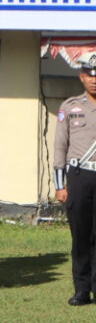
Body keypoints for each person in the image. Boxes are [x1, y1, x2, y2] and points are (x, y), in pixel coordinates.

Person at [54, 55, 96, 306]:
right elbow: (60, 146)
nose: (94, 80)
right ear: (81, 77)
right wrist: (60, 184)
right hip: (79, 175)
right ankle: (81, 288)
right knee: (80, 234)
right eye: (90, 74)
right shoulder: (69, 107)